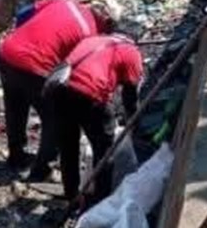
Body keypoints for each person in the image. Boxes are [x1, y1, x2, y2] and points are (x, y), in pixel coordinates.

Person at [0, 0, 119, 180]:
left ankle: (16, 155)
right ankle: (42, 170)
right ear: (106, 20)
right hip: (33, 66)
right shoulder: (89, 33)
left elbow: (23, 13)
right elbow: (74, 68)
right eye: (109, 28)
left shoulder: (66, 0)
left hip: (7, 51)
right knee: (54, 119)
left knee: (15, 106)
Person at [50, 34, 143, 202]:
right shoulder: (132, 52)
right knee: (104, 150)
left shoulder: (91, 40)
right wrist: (134, 121)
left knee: (68, 146)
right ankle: (100, 198)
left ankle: (71, 194)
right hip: (90, 95)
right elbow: (130, 95)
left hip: (59, 90)